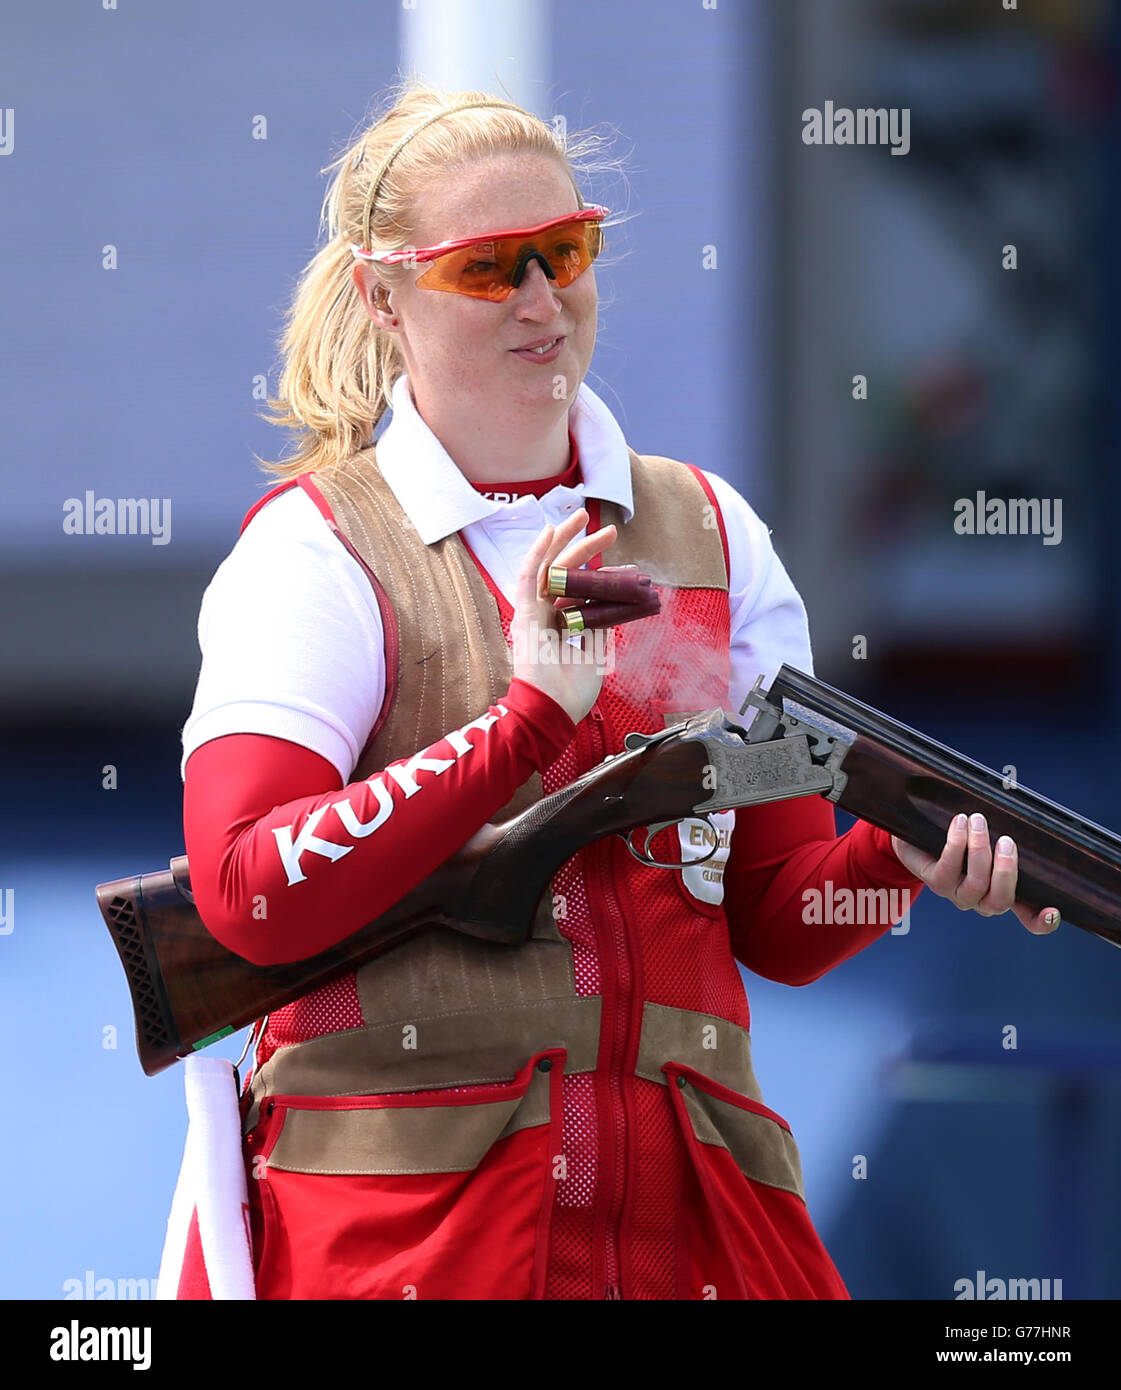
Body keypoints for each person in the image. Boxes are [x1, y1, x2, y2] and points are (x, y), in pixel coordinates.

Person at [168, 80, 1061, 1302]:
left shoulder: (709, 532)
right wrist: (523, 724)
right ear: (384, 295)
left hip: (697, 1221)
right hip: (415, 1239)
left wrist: (897, 865)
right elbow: (242, 896)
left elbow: (771, 922)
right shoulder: (317, 551)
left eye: (566, 250)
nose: (543, 298)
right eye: (490, 269)